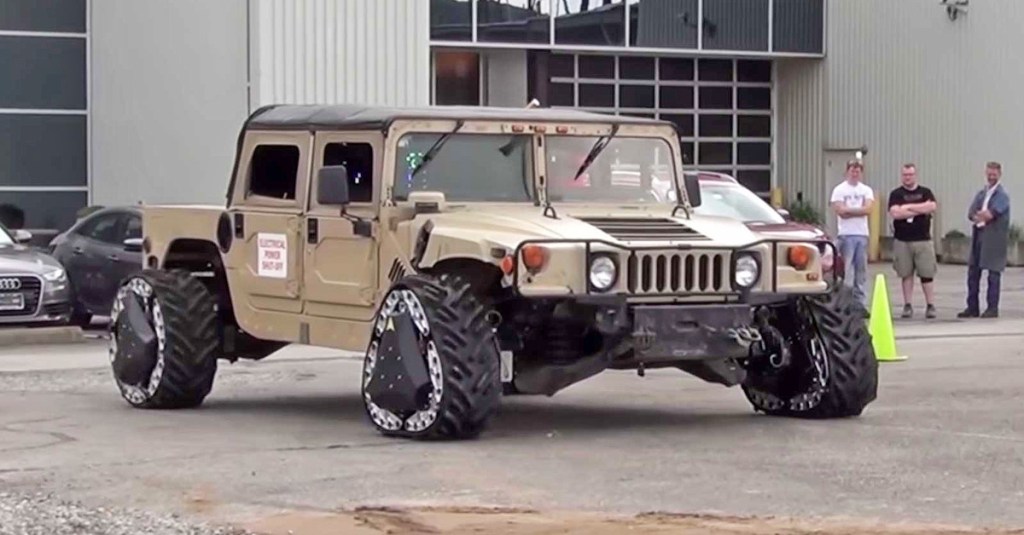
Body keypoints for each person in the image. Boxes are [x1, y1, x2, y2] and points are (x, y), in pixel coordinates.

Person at [959, 162, 1011, 318]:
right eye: (989, 173)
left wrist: (981, 215)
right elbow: (971, 213)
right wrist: (981, 215)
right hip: (979, 235)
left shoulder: (1002, 196)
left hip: (994, 239)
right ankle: (972, 307)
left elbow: (991, 214)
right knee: (973, 272)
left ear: (999, 174)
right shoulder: (982, 193)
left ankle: (992, 308)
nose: (991, 176)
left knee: (993, 274)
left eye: (994, 174)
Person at [887, 163, 939, 319]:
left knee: (927, 274)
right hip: (903, 240)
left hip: (922, 239)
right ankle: (907, 305)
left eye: (910, 174)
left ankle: (930, 305)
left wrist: (908, 208)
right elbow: (895, 213)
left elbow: (931, 207)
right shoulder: (896, 194)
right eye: (905, 175)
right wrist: (918, 209)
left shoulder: (925, 192)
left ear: (915, 175)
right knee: (906, 274)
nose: (907, 177)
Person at [830, 160, 874, 313]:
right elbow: (840, 210)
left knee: (861, 271)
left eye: (858, 171)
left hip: (862, 234)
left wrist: (850, 210)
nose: (855, 173)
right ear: (847, 171)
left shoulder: (867, 190)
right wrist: (858, 210)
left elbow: (868, 209)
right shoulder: (839, 190)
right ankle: (844, 303)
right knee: (845, 271)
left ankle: (859, 303)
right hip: (846, 235)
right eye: (852, 170)